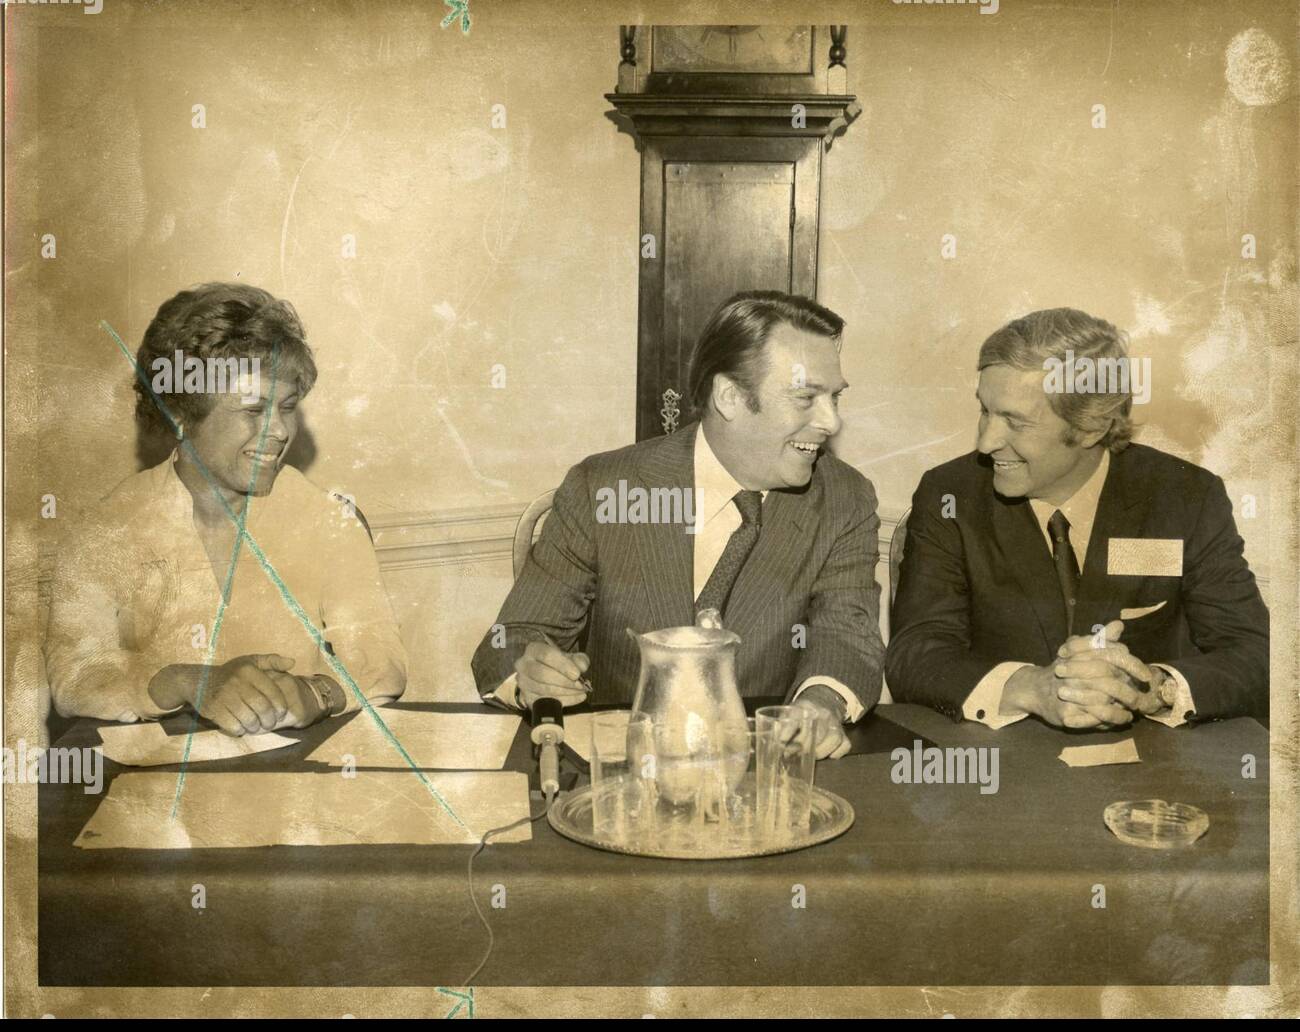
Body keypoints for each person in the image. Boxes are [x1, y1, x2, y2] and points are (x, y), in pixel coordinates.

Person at [471, 290, 885, 758]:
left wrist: (820, 704)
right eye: (806, 397)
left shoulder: (845, 499)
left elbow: (847, 634)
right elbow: (511, 638)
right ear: (730, 397)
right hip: (620, 780)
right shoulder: (605, 488)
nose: (830, 421)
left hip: (758, 774)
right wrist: (529, 675)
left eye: (835, 397)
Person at [44, 283, 407, 736]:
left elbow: (380, 655)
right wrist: (181, 680)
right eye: (253, 411)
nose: (278, 431)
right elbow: (75, 673)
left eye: (288, 407)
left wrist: (317, 693)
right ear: (180, 415)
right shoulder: (105, 530)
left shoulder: (326, 519)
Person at [886, 307, 1268, 730]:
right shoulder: (951, 495)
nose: (986, 441)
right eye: (986, 411)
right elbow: (915, 654)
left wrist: (1154, 689)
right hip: (1000, 769)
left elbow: (1255, 653)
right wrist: (1030, 687)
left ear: (1090, 429)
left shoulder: (1186, 497)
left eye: (1014, 421)